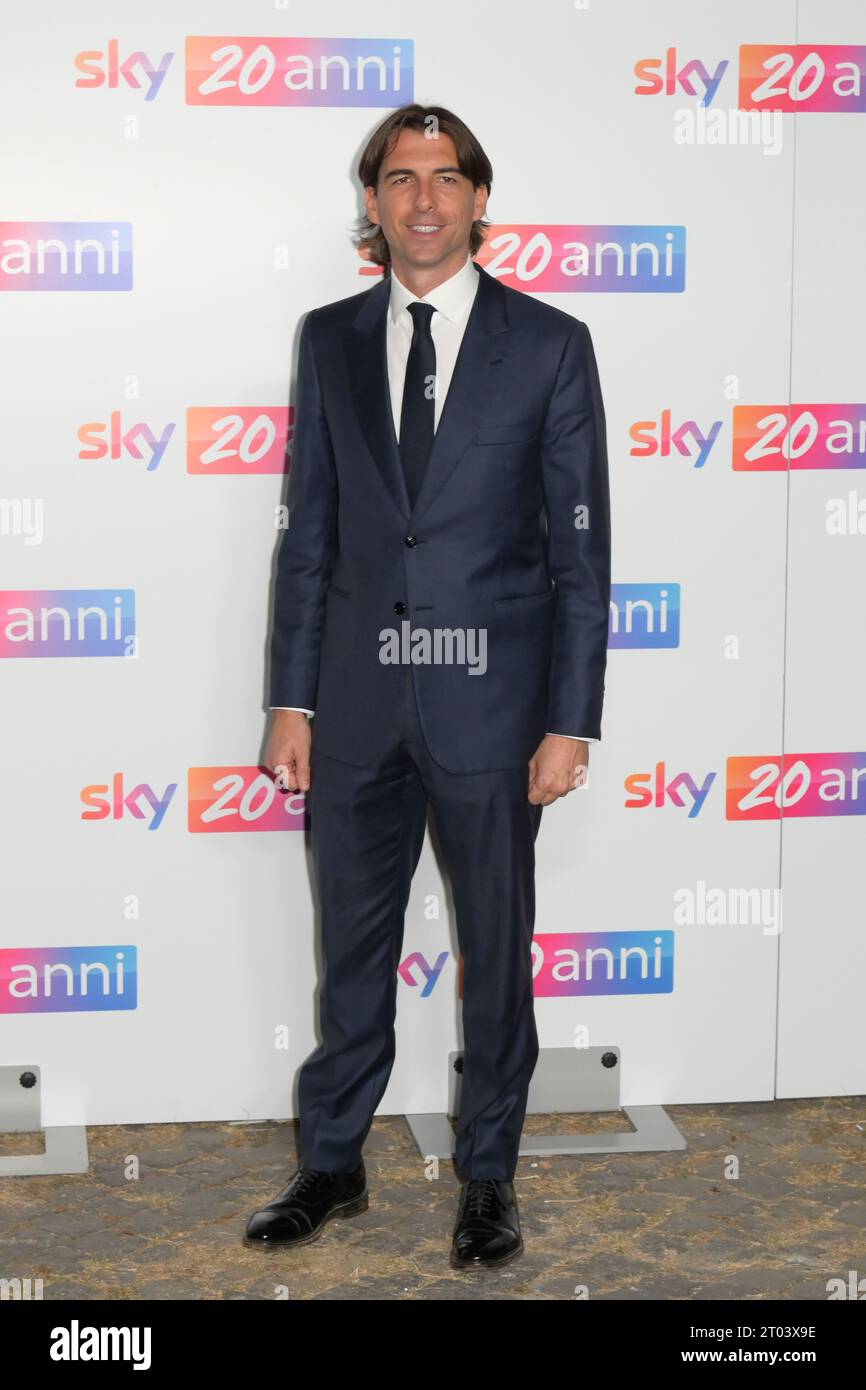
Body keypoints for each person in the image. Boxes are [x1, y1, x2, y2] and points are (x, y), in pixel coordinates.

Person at [244, 103, 610, 1270]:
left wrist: (569, 717)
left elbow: (579, 555)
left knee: (495, 952)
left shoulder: (550, 345)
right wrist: (288, 699)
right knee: (349, 947)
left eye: (443, 177)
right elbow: (307, 534)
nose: (421, 199)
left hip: (493, 712)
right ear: (372, 204)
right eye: (397, 179)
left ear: (477, 199)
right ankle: (332, 1160)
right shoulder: (327, 338)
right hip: (351, 704)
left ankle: (488, 1175)